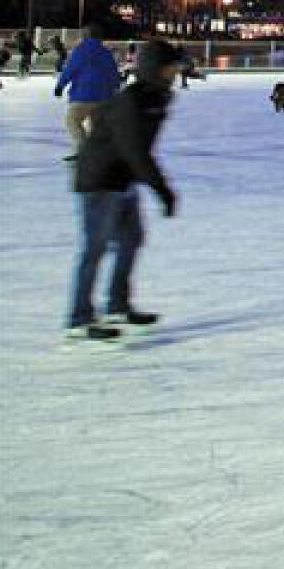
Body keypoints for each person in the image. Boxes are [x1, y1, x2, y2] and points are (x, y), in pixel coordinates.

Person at [67, 40, 184, 344]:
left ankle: (117, 305)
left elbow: (140, 152)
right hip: (99, 181)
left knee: (132, 240)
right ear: (156, 68)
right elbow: (136, 151)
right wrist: (163, 190)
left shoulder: (154, 98)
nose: (175, 72)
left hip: (122, 180)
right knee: (95, 249)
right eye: (170, 67)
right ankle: (79, 319)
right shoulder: (131, 103)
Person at [54, 22, 121, 161]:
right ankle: (95, 152)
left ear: (86, 35)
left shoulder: (80, 50)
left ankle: (84, 149)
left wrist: (60, 85)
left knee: (72, 120)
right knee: (95, 125)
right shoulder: (106, 52)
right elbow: (113, 73)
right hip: (103, 96)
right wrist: (115, 89)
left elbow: (70, 69)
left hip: (83, 94)